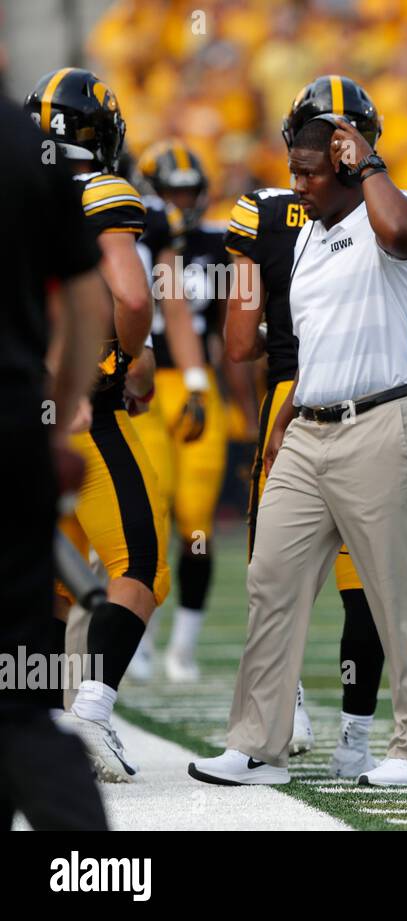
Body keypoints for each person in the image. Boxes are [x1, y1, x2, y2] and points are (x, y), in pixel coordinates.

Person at [190, 103, 407, 788]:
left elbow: (398, 234)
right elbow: (315, 341)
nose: (297, 186)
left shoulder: (395, 210)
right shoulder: (307, 237)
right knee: (270, 581)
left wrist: (370, 163)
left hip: (381, 422)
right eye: (292, 172)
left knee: (396, 594)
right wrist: (286, 418)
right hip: (307, 426)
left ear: (346, 160)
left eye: (308, 172)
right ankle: (258, 746)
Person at [26, 68, 171, 782]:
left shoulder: (20, 189)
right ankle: (90, 708)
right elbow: (130, 292)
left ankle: (43, 723)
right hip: (85, 408)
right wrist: (128, 354)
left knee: (53, 579)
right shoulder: (99, 190)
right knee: (142, 564)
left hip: (24, 409)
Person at [0, 91, 112, 830]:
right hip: (10, 431)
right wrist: (59, 419)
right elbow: (86, 297)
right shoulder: (23, 143)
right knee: (15, 703)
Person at [128, 140, 230, 683]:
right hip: (142, 383)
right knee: (149, 508)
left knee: (196, 520)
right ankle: (137, 635)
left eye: (189, 192)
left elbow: (226, 326)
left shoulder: (220, 243)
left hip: (196, 385)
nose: (181, 201)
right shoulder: (128, 234)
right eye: (171, 191)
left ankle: (183, 644)